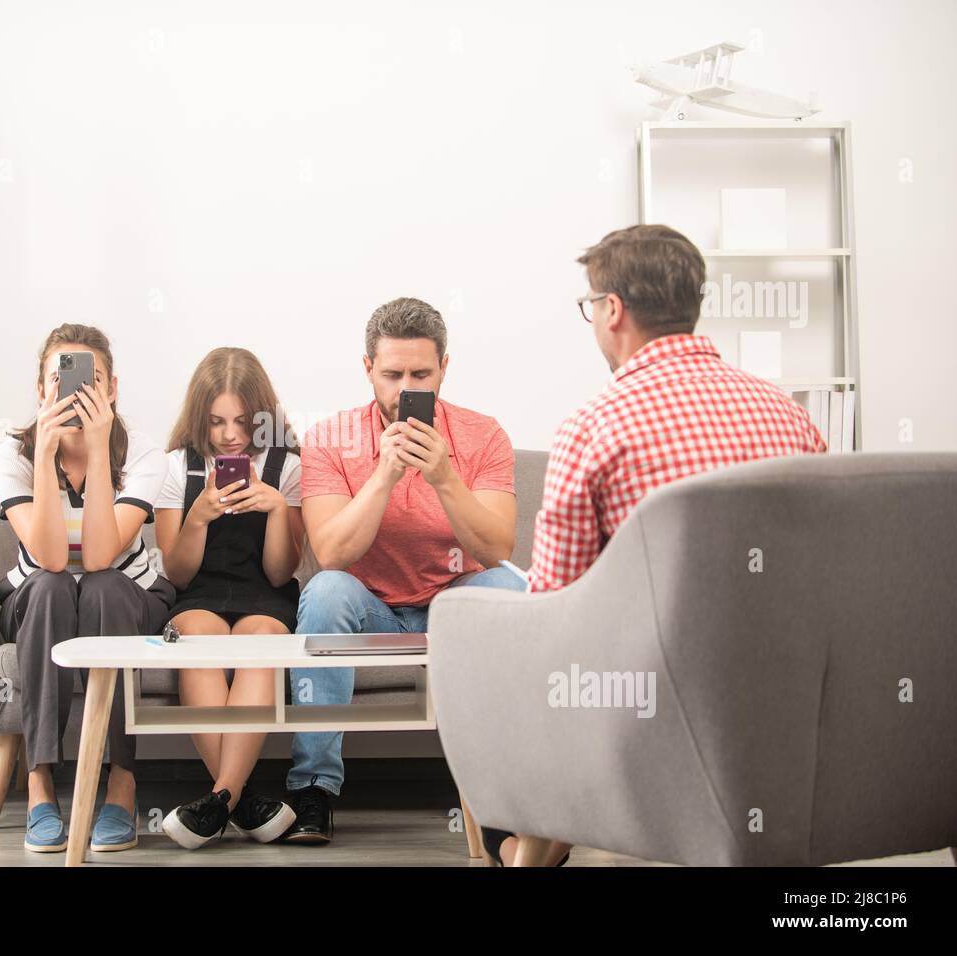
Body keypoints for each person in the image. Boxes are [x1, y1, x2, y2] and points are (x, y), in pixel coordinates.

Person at [476, 224, 827, 866]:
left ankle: (526, 844)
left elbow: (555, 605)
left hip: (652, 699)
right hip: (790, 685)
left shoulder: (597, 424)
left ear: (614, 311)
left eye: (591, 306)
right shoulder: (788, 414)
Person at [283, 297, 528, 844]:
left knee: (512, 586)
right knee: (325, 592)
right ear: (367, 369)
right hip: (369, 607)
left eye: (421, 373)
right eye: (392, 374)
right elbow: (332, 554)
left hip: (450, 607)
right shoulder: (331, 437)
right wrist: (385, 476)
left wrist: (444, 478)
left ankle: (503, 790)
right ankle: (313, 789)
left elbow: (496, 550)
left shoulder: (483, 435)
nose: (404, 388)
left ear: (444, 369)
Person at [0, 324, 174, 854]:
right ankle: (40, 780)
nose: (74, 393)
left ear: (111, 388)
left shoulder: (141, 453)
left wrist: (96, 452)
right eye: (59, 380)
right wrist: (45, 458)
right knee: (51, 586)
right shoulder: (11, 456)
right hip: (38, 598)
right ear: (41, 390)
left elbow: (98, 557)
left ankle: (121, 781)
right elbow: (48, 558)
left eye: (89, 381)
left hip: (124, 593)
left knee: (103, 587)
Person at [153, 347, 303, 849]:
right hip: (200, 592)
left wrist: (277, 509)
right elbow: (175, 572)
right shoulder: (180, 466)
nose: (230, 435)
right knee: (198, 640)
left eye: (242, 421)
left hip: (266, 593)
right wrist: (197, 517)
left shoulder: (288, 466)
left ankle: (218, 800)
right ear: (200, 418)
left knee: (261, 643)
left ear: (264, 417)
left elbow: (282, 571)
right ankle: (239, 798)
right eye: (216, 422)